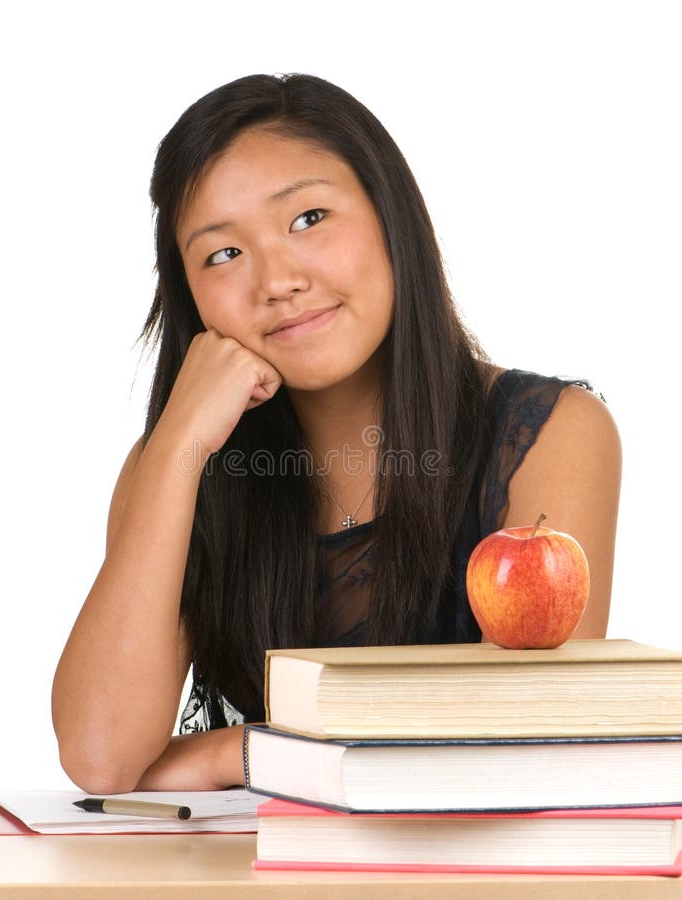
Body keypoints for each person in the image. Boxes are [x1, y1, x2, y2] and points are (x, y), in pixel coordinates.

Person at [52, 73, 622, 794]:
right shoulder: (178, 464)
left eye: (307, 218)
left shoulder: (550, 432)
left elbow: (525, 728)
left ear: (392, 217)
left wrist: (240, 753)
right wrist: (174, 450)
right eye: (222, 254)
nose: (277, 280)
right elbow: (102, 759)